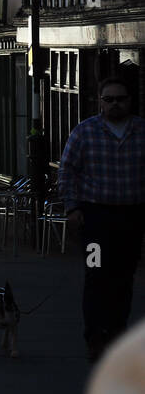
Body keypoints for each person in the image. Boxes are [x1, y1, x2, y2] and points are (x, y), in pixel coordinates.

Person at [60, 77, 145, 363]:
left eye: (120, 98)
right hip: (96, 216)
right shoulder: (85, 132)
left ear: (130, 100)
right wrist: (72, 208)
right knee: (97, 277)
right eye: (108, 99)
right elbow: (67, 170)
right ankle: (96, 337)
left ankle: (117, 335)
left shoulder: (141, 131)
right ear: (99, 101)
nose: (114, 104)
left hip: (131, 215)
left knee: (123, 278)